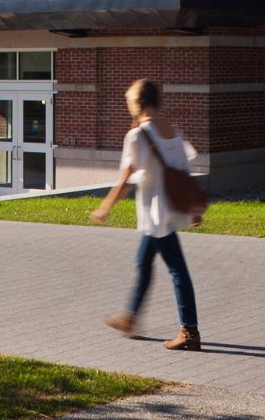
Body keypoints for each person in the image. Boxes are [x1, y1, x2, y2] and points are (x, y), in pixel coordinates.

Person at [91, 78, 202, 351]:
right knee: (143, 261)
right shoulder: (172, 131)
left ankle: (189, 331)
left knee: (177, 270)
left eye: (129, 99)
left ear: (139, 102)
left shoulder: (139, 135)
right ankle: (130, 318)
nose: (127, 104)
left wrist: (106, 206)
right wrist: (194, 206)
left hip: (156, 213)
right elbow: (184, 169)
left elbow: (126, 177)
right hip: (168, 209)